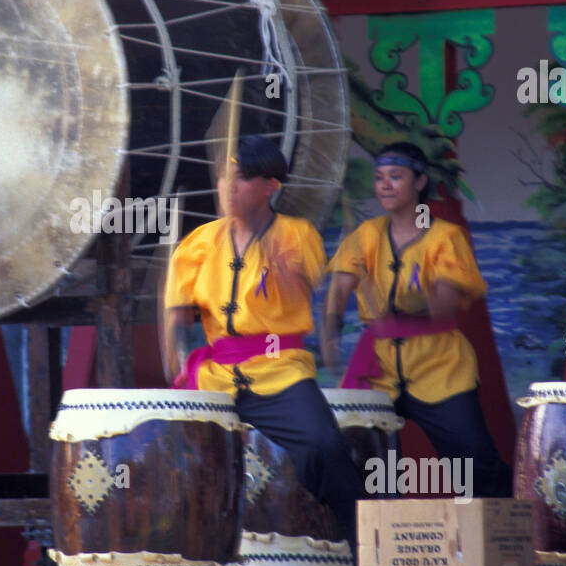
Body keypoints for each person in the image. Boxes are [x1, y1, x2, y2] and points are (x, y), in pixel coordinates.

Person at [163, 135, 363, 533]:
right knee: (178, 464)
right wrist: (171, 324)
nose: (227, 188)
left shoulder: (295, 234)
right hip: (215, 377)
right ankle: (193, 554)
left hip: (279, 369)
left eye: (239, 179)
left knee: (324, 446)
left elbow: (301, 286)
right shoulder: (200, 241)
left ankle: (361, 544)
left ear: (270, 186)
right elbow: (181, 315)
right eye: (223, 178)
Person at [322, 141, 513, 498]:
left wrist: (413, 296)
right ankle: (371, 544)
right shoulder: (365, 235)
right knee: (359, 463)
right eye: (380, 178)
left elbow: (445, 304)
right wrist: (330, 335)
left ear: (420, 181)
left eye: (396, 177)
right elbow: (338, 291)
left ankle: (498, 542)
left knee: (476, 464)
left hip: (439, 366)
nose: (385, 185)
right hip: (378, 367)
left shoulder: (445, 236)